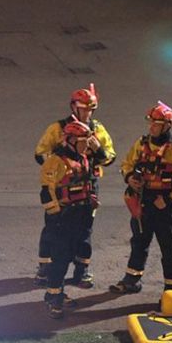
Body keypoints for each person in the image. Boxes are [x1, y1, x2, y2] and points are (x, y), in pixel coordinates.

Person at [110, 101, 172, 295]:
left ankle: (170, 289)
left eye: (156, 124)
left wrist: (169, 199)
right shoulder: (141, 144)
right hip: (143, 201)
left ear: (167, 125)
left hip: (164, 206)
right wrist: (130, 178)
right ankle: (132, 279)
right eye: (151, 123)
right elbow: (126, 164)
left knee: (168, 247)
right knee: (139, 241)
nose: (152, 127)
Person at [33, 84, 115, 288]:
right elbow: (40, 154)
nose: (87, 113)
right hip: (62, 185)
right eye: (84, 108)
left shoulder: (97, 130)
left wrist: (98, 151)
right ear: (74, 107)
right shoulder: (58, 128)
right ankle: (45, 269)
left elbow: (109, 158)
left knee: (85, 230)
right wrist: (62, 161)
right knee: (53, 227)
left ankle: (81, 270)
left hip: (88, 184)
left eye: (91, 109)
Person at [40, 121, 98, 319]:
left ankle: (56, 293)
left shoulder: (83, 158)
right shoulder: (55, 162)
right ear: (71, 141)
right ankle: (54, 298)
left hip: (81, 216)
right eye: (83, 141)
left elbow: (89, 182)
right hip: (63, 218)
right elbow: (46, 193)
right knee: (60, 260)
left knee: (76, 252)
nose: (87, 145)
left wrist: (90, 202)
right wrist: (56, 216)